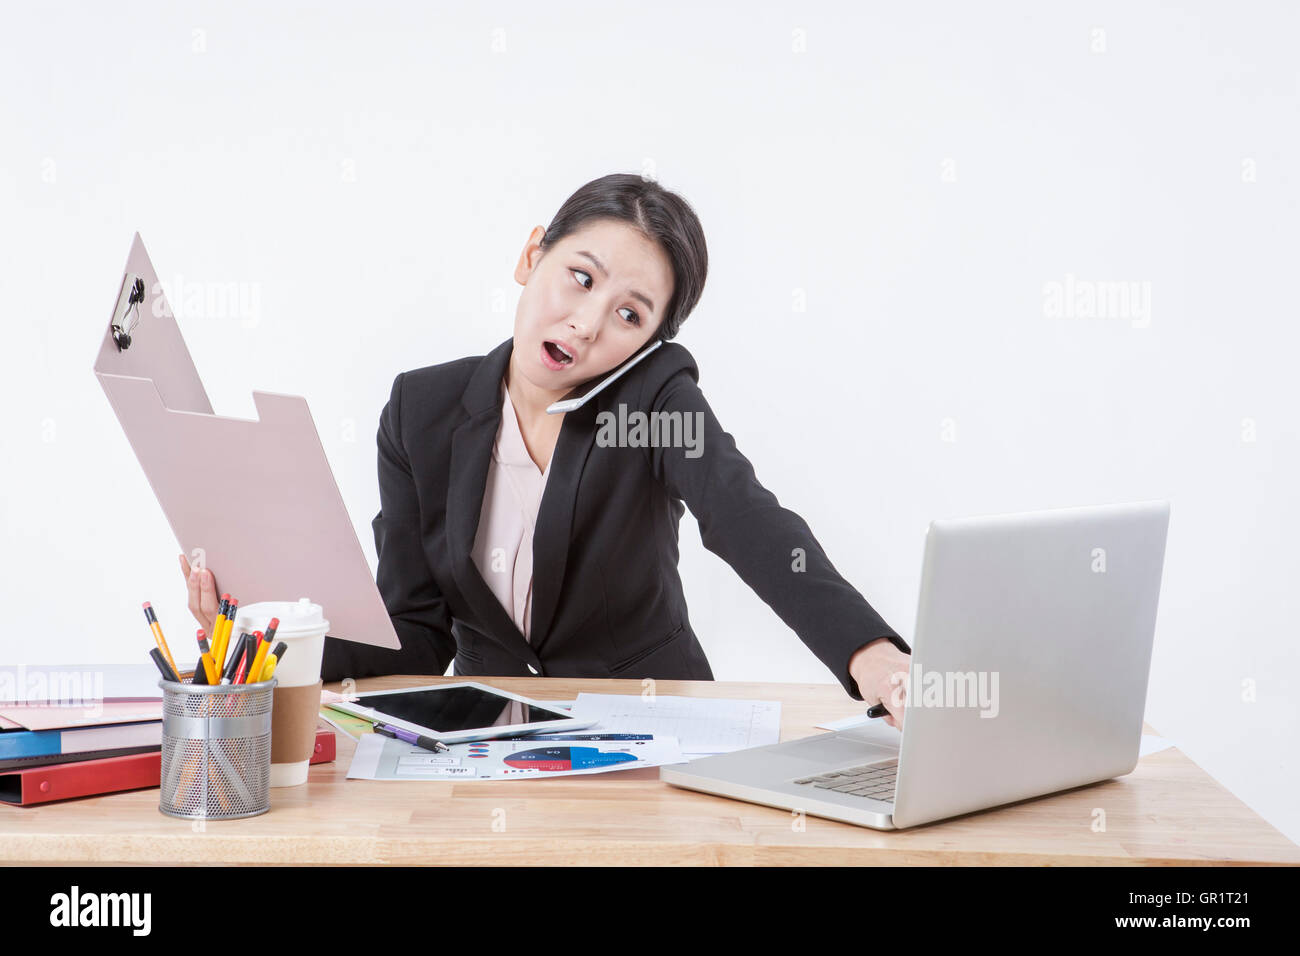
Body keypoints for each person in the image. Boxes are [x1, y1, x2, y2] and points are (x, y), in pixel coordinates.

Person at [181, 172, 912, 728]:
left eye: (630, 314)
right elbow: (414, 634)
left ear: (648, 345)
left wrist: (870, 654)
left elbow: (746, 519)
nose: (588, 323)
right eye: (581, 278)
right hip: (481, 746)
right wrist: (264, 640)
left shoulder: (652, 403)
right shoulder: (421, 411)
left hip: (651, 732)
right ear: (533, 254)